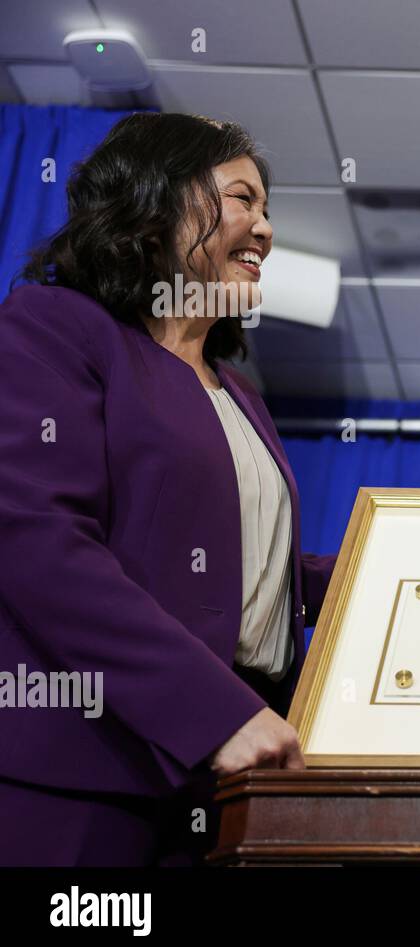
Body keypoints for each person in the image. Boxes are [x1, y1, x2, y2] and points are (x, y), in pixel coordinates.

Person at [0, 112, 337, 865]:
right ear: (155, 204)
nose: (266, 229)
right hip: (87, 775)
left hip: (217, 785)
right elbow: (36, 541)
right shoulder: (54, 328)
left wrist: (391, 578)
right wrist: (211, 713)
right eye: (244, 199)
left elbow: (247, 566)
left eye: (267, 209)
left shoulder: (239, 394)